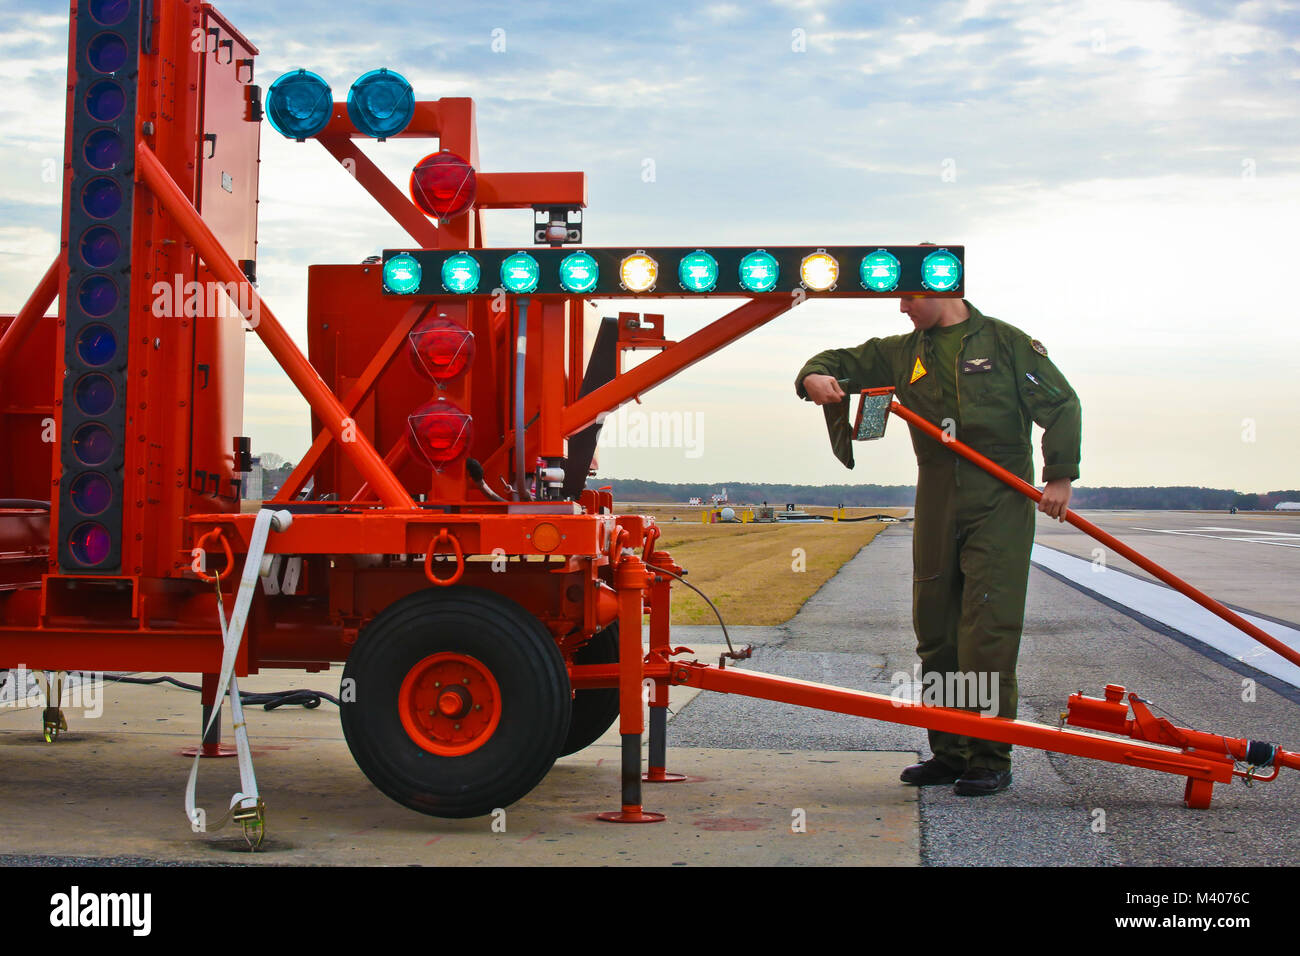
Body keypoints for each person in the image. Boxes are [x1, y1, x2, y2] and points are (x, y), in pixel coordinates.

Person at [796, 292, 1081, 795]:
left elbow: (1060, 404)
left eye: (908, 298)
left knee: (987, 629)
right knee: (937, 628)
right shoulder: (901, 353)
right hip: (936, 493)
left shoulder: (1007, 343)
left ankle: (989, 756)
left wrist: (1059, 475)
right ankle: (949, 752)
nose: (902, 309)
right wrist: (812, 377)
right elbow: (835, 362)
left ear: (942, 290)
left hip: (1000, 493)